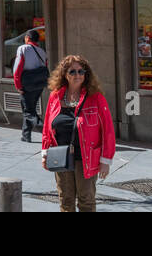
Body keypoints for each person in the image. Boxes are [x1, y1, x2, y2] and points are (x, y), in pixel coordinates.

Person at [39, 54, 116, 213]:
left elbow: (108, 130)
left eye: (81, 71)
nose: (77, 75)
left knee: (86, 200)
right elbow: (47, 127)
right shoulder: (55, 96)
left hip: (86, 157)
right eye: (72, 71)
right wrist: (45, 153)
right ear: (64, 74)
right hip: (61, 155)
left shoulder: (96, 98)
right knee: (65, 200)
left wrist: (105, 160)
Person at [12, 29, 49, 142]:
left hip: (27, 85)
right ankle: (26, 135)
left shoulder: (23, 48)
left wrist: (18, 86)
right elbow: (45, 67)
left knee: (28, 112)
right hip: (39, 85)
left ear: (27, 38)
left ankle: (46, 130)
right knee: (30, 109)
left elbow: (17, 68)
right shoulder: (42, 51)